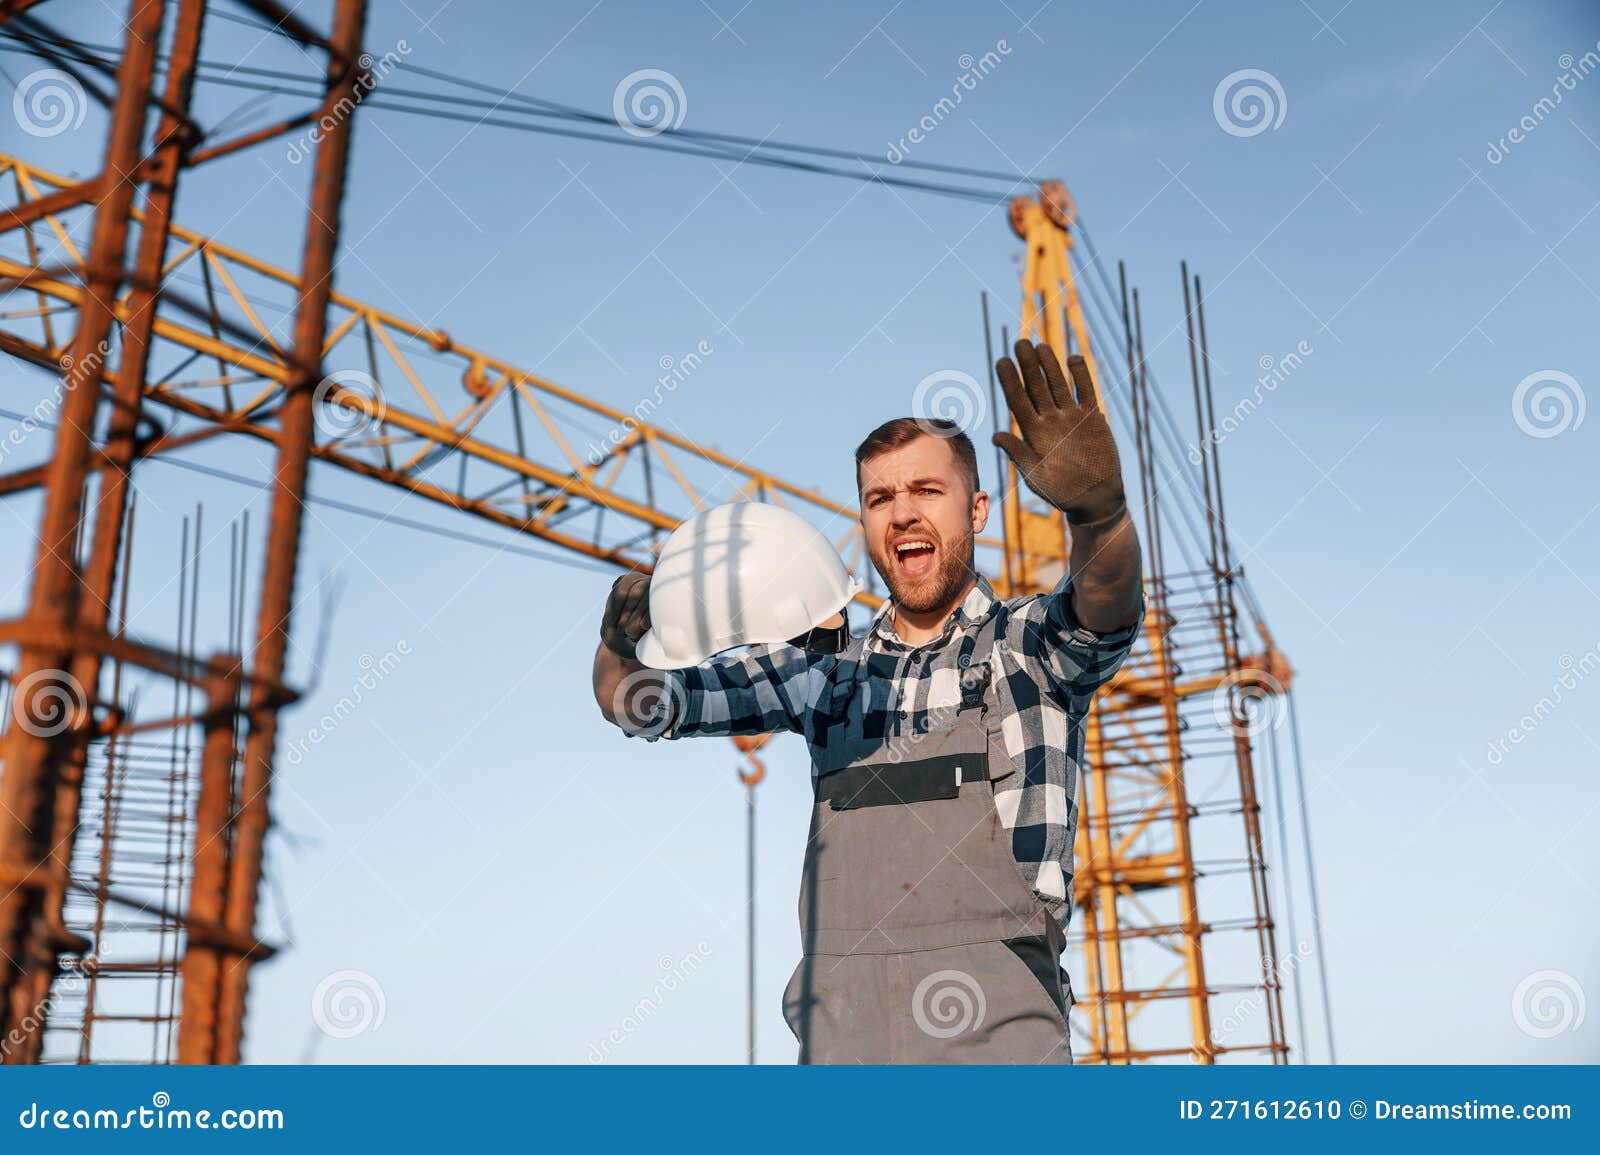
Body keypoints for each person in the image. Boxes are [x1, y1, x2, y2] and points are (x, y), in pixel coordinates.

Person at [592, 341, 1144, 1064]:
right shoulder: (824, 675)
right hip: (843, 1053)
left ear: (977, 509)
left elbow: (1103, 606)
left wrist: (1100, 518)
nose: (903, 514)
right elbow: (641, 705)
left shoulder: (1026, 650)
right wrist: (619, 646)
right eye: (881, 498)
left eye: (927, 491)